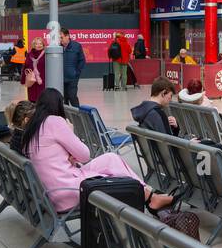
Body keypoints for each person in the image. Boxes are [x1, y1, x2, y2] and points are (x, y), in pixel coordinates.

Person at [19, 89, 170, 213]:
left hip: (54, 192)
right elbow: (85, 156)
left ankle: (149, 194)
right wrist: (70, 131)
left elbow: (52, 156)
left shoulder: (32, 128)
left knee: (111, 158)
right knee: (116, 178)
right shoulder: (54, 122)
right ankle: (151, 198)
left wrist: (69, 155)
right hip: (69, 190)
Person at [60, 27, 86, 108]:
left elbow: (82, 60)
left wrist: (76, 73)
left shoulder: (76, 46)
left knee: (72, 97)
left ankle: (78, 114)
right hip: (60, 78)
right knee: (63, 99)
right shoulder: (57, 48)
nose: (60, 40)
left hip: (72, 78)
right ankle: (65, 118)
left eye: (61, 37)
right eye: (59, 38)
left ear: (67, 36)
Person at [23, 37, 46, 103]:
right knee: (32, 99)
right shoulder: (29, 54)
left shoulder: (46, 54)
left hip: (42, 81)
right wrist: (23, 79)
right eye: (37, 44)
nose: (39, 45)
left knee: (42, 99)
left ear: (43, 45)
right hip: (32, 81)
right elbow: (25, 66)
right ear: (34, 45)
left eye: (41, 43)